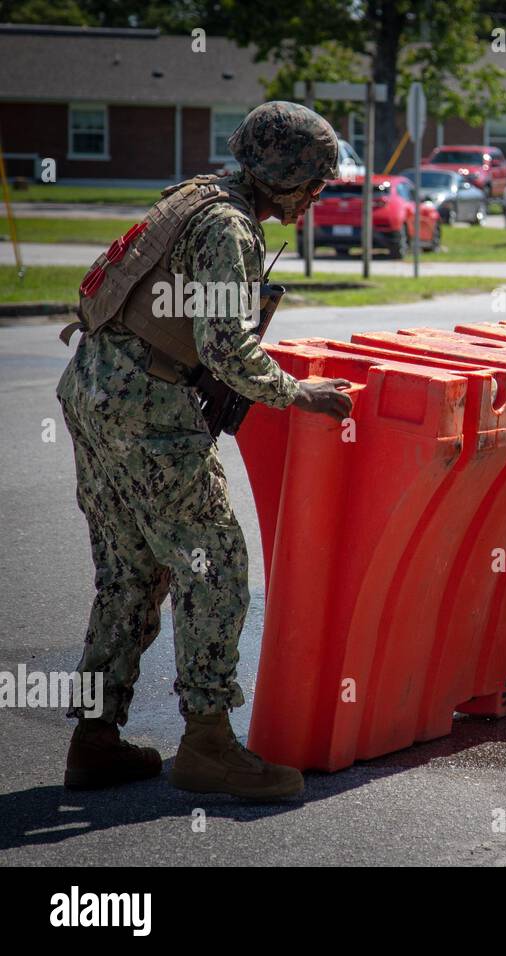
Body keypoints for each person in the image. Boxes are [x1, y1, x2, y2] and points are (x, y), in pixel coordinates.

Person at [58, 101, 353, 799]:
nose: (315, 196)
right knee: (214, 563)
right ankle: (209, 743)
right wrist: (298, 394)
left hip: (94, 392)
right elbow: (226, 346)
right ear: (284, 175)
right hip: (145, 410)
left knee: (132, 572)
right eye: (313, 183)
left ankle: (95, 738)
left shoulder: (195, 196)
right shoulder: (228, 227)